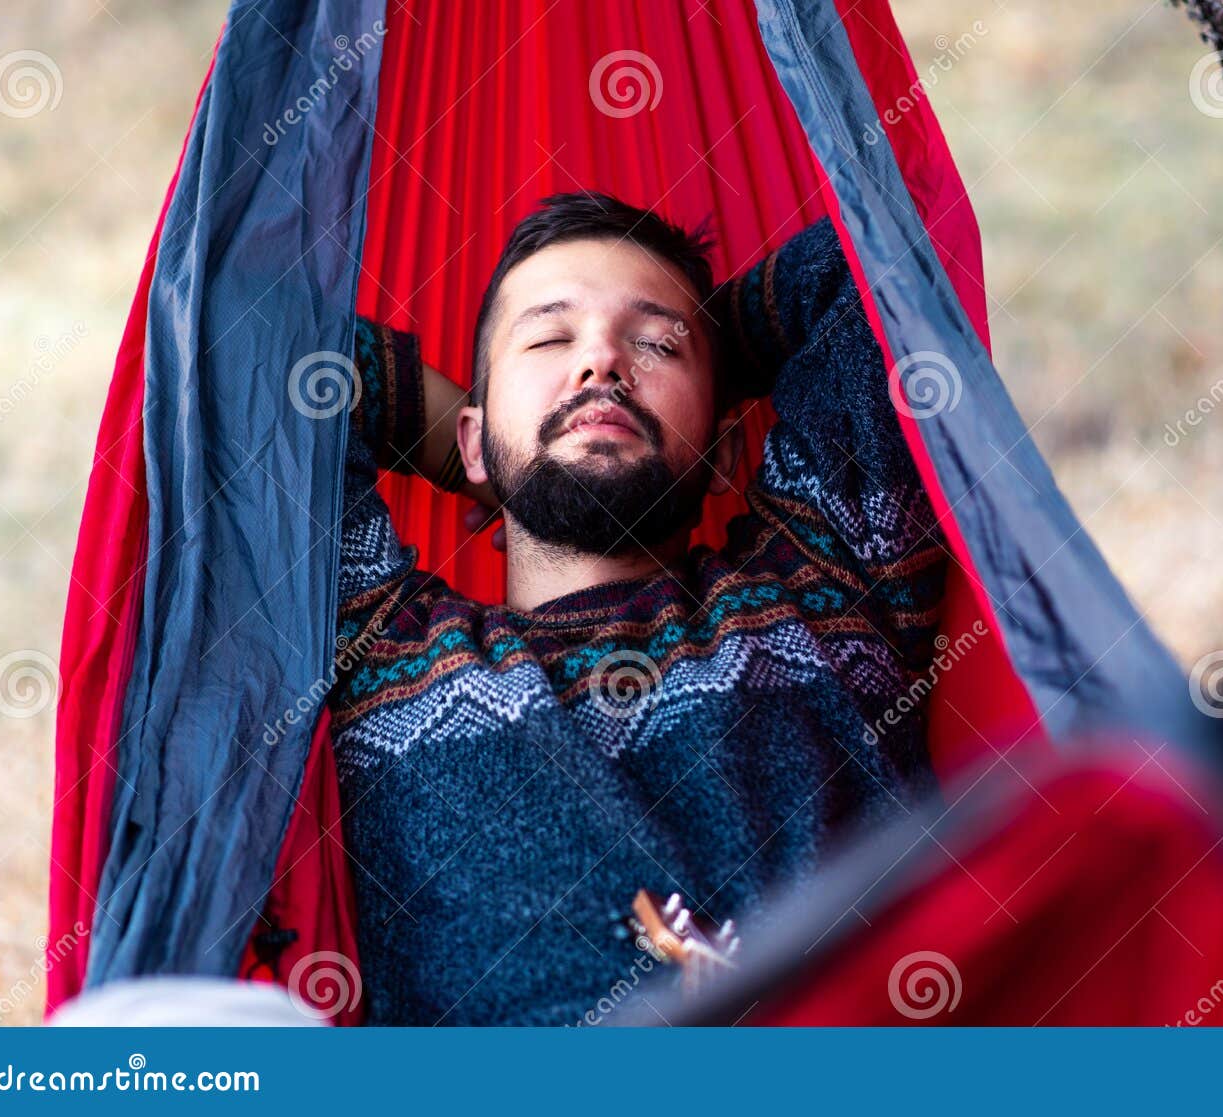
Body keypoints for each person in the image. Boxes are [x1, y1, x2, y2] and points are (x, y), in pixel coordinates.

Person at [331, 192, 947, 1024]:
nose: (602, 365)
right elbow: (249, 346)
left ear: (731, 449)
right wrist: (488, 454)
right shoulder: (378, 653)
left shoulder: (824, 582)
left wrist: (543, 428)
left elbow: (880, 251)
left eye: (656, 344)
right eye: (551, 337)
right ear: (469, 439)